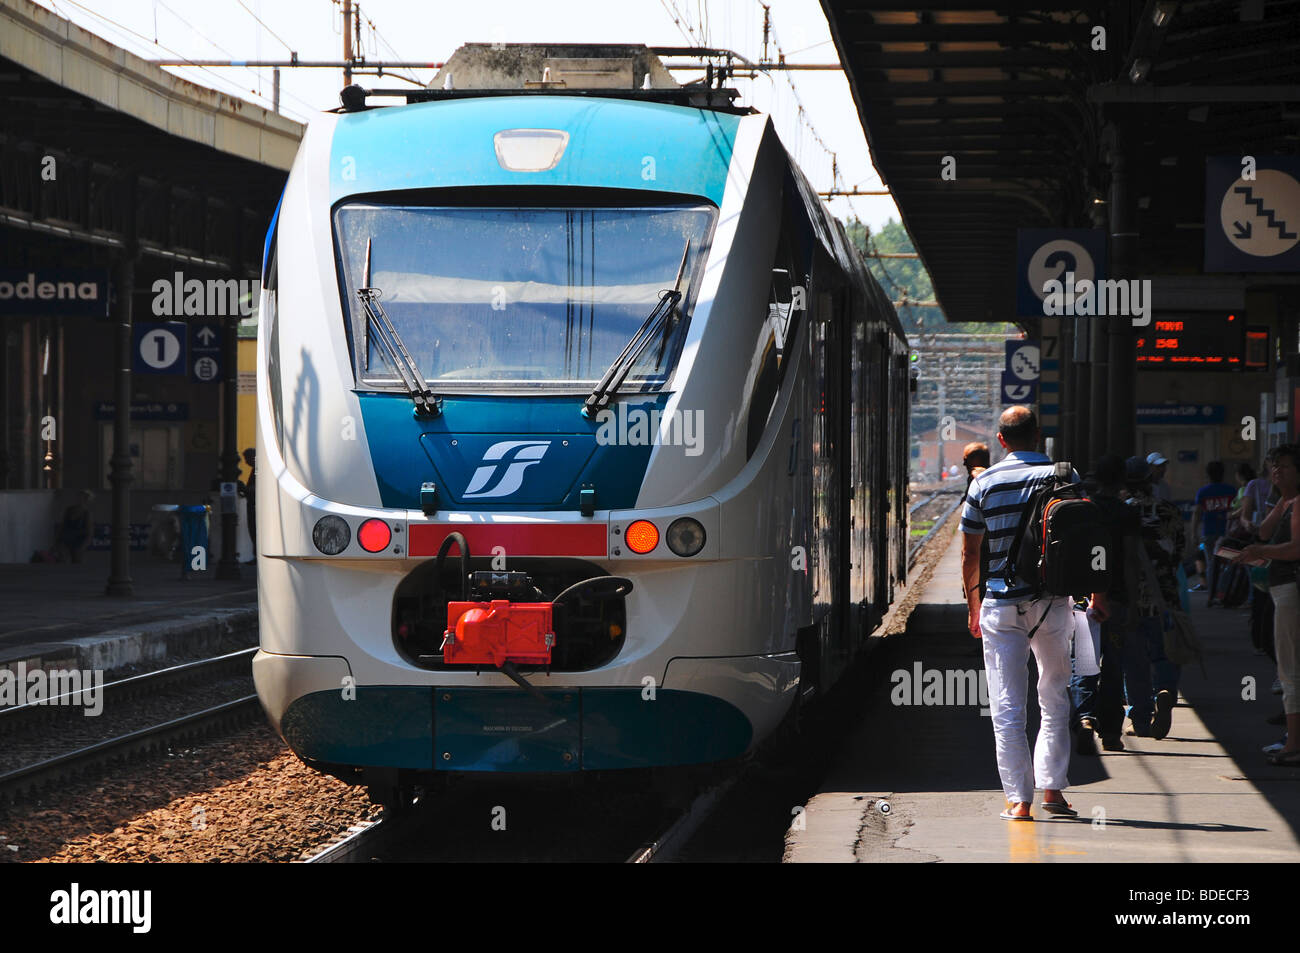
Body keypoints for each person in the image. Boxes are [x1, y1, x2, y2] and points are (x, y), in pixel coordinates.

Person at [961, 406, 1108, 820]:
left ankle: (1017, 801)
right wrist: (1096, 596)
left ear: (1001, 439)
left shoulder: (984, 481)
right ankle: (1053, 792)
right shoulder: (1066, 476)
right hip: (1053, 602)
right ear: (1038, 435)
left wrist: (973, 608)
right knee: (1054, 696)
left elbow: (971, 551)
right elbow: (1089, 540)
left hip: (1000, 604)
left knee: (1008, 706)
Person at [1233, 443, 1300, 766]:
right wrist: (1279, 497)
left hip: (1291, 589)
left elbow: (1295, 548)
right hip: (1281, 588)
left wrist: (1263, 553)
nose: (1277, 471)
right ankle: (1292, 737)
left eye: (1285, 466)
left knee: (1289, 669)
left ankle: (1294, 743)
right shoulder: (1287, 501)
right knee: (1289, 667)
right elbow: (1264, 530)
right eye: (1274, 466)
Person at [1071, 455, 1143, 755]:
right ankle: (1111, 733)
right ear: (1122, 480)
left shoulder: (1081, 510)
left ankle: (1085, 718)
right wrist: (1134, 599)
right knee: (1114, 666)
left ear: (1095, 480)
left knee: (1085, 663)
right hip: (1117, 598)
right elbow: (1129, 559)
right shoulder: (1126, 513)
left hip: (1082, 598)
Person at [1127, 456, 1187, 739]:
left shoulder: (1122, 512)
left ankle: (1139, 717)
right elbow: (1179, 553)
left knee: (1135, 658)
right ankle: (1166, 690)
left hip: (1131, 598)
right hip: (1165, 593)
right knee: (1165, 652)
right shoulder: (1169, 511)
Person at [1191, 461, 1237, 607]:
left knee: (1211, 564)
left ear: (1208, 475)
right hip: (1227, 533)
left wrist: (1193, 533)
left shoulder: (1203, 492)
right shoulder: (1231, 490)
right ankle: (1224, 593)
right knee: (1227, 564)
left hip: (1209, 533)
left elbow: (1197, 514)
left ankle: (1212, 595)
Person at [962, 442, 992, 602]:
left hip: (981, 542)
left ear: (976, 459)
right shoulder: (991, 476)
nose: (964, 463)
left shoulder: (977, 478)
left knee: (980, 587)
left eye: (966, 459)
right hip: (988, 541)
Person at [56, 490, 94, 564]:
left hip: (79, 540)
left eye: (82, 498)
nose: (79, 499)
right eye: (78, 497)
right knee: (62, 559)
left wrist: (83, 546)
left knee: (77, 560)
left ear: (86, 500)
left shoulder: (86, 513)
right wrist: (57, 540)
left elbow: (89, 532)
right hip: (66, 538)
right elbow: (62, 526)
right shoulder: (69, 510)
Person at [242, 447, 257, 557]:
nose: (245, 461)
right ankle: (255, 555)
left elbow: (256, 488)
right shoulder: (255, 469)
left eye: (246, 458)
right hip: (252, 504)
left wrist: (244, 488)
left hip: (255, 505)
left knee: (254, 529)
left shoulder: (258, 469)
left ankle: (256, 556)